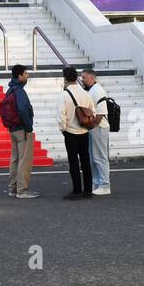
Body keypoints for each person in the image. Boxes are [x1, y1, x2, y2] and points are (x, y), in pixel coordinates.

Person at [58, 66, 97, 199]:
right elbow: (93, 112)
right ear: (76, 78)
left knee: (73, 162)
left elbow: (61, 116)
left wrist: (63, 129)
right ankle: (88, 190)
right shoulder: (86, 94)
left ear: (65, 79)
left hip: (70, 132)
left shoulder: (64, 95)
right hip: (84, 131)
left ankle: (76, 191)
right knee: (85, 160)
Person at [3, 64, 39, 199]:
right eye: (26, 74)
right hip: (22, 129)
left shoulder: (10, 90)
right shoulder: (19, 91)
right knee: (25, 160)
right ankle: (22, 190)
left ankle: (12, 188)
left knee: (15, 159)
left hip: (12, 128)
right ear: (20, 76)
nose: (27, 76)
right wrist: (29, 127)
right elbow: (23, 110)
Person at [81, 69, 112, 196]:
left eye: (84, 77)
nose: (82, 80)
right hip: (96, 128)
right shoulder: (93, 90)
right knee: (94, 158)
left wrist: (91, 127)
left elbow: (100, 113)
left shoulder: (97, 90)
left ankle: (105, 185)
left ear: (92, 78)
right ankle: (99, 183)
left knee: (100, 157)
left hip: (99, 128)